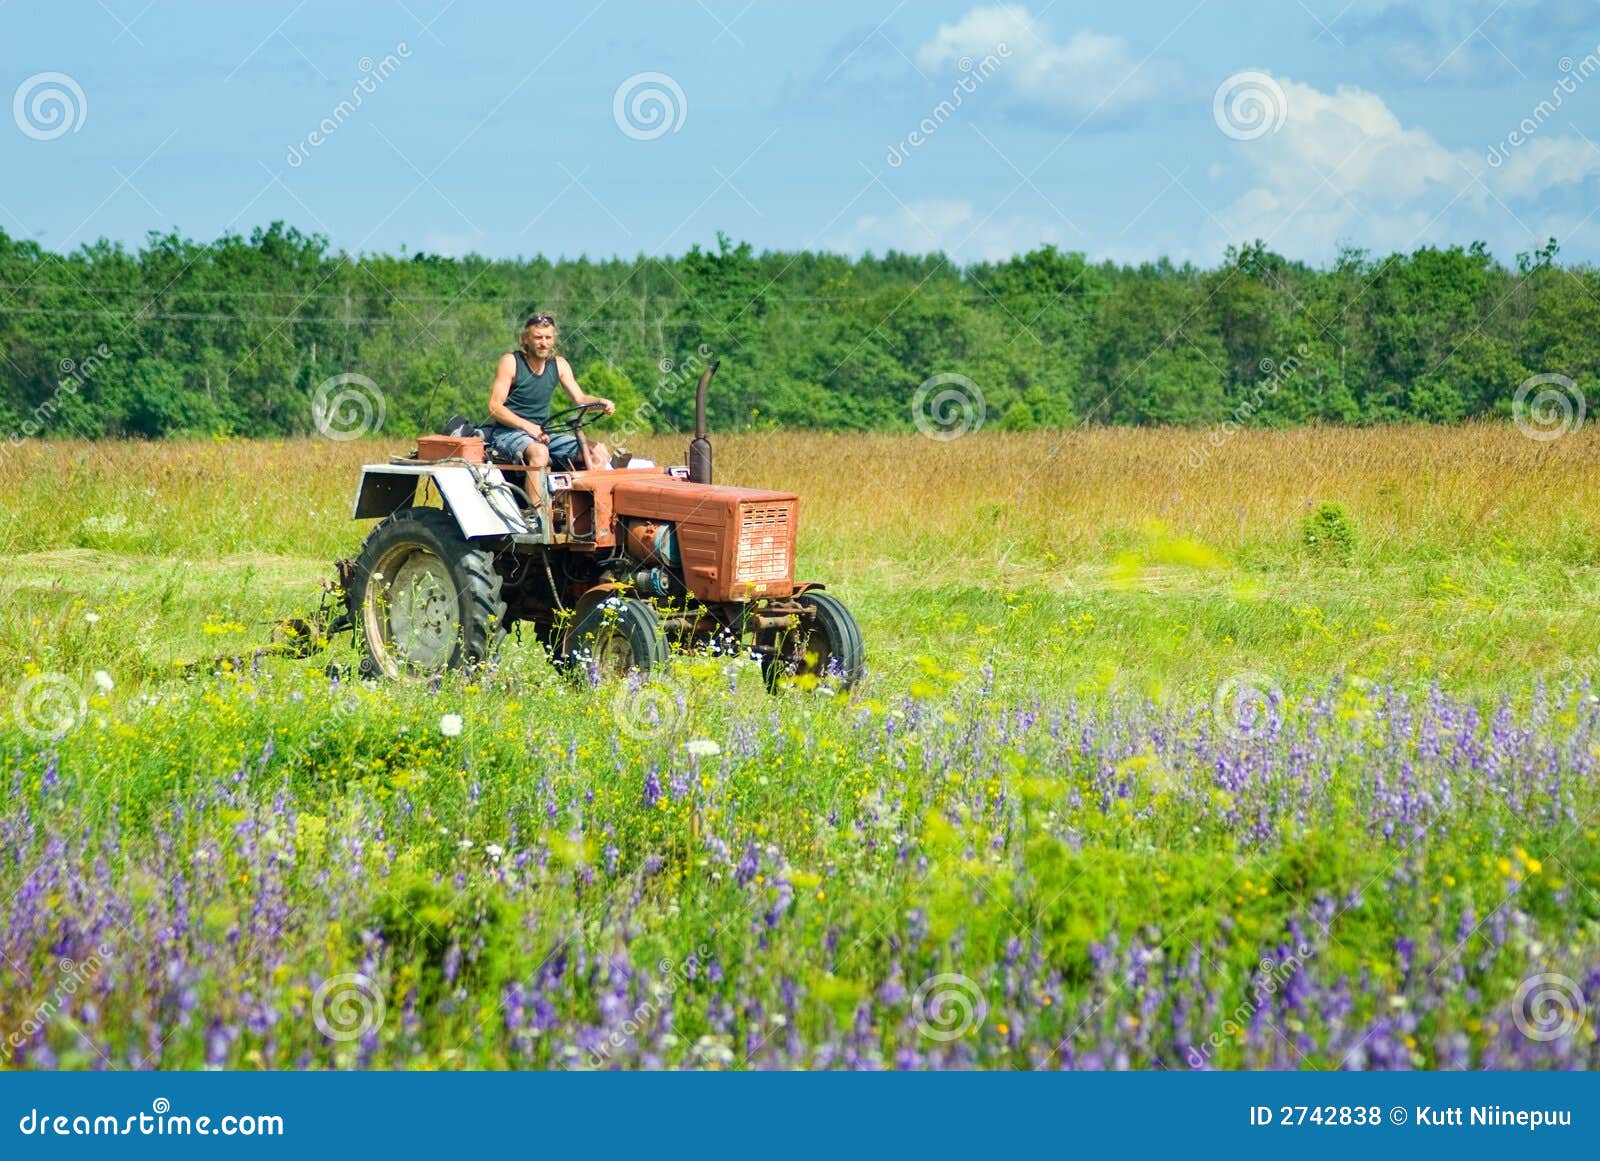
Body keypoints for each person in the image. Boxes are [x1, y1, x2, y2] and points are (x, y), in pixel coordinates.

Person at [485, 313, 615, 470]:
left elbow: (580, 399)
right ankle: (537, 496)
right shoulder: (511, 362)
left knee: (598, 452)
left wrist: (600, 403)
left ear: (554, 339)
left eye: (548, 338)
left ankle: (585, 493)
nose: (543, 343)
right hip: (508, 434)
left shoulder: (559, 364)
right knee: (540, 452)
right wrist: (529, 427)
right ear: (526, 339)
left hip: (543, 434)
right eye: (538, 337)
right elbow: (494, 407)